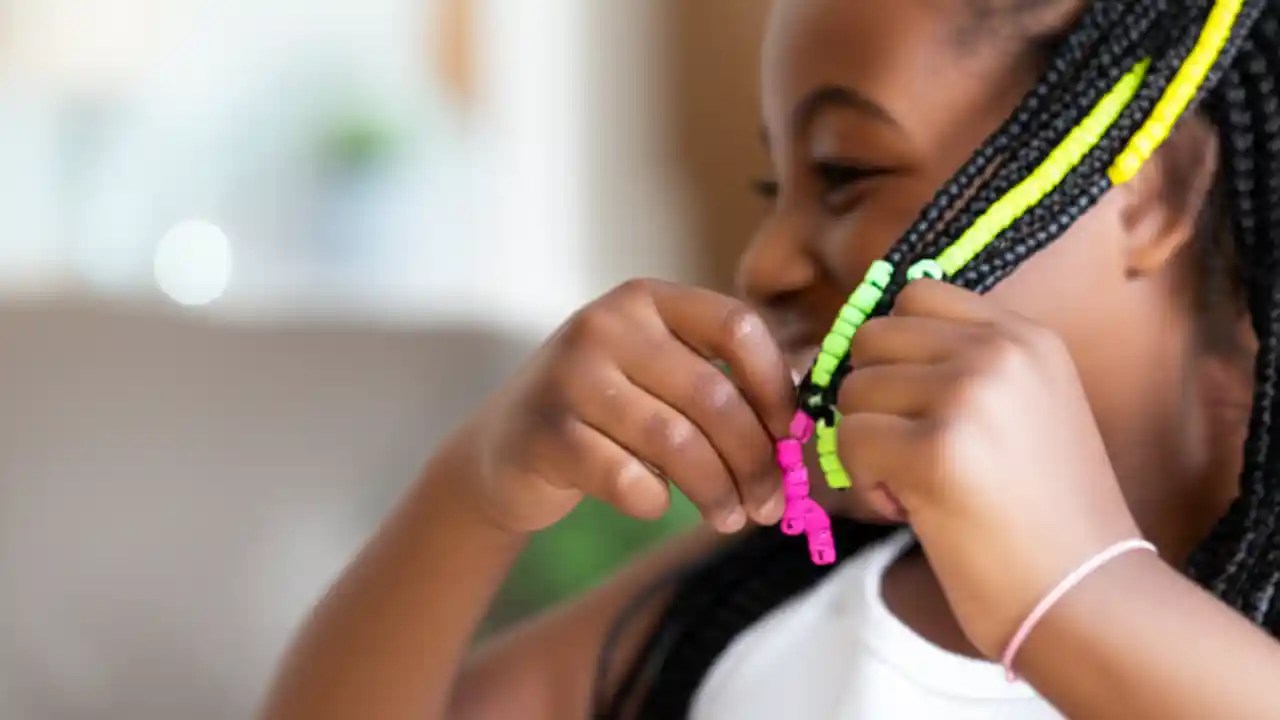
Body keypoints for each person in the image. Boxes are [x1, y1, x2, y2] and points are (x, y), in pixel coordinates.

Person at [260, 1, 1280, 718]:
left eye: (844, 171)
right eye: (769, 190)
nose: (765, 260)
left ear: (1146, 190)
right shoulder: (764, 606)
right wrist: (474, 491)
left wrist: (1073, 595)